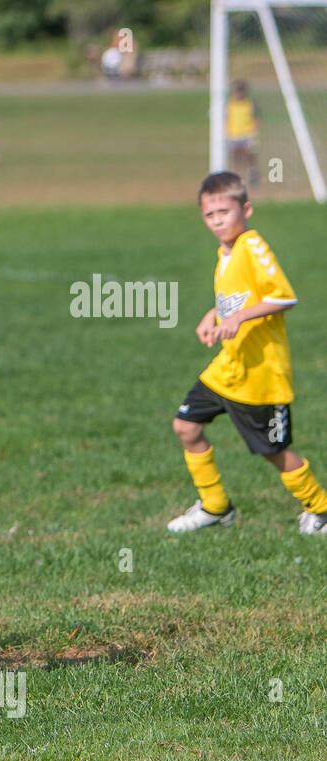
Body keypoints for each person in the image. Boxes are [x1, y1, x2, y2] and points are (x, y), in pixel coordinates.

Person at [168, 171, 327, 534]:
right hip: (228, 368)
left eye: (225, 211)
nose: (217, 220)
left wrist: (238, 318)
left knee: (274, 452)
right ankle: (215, 507)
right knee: (186, 427)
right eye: (209, 215)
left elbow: (284, 296)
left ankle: (321, 510)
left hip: (260, 376)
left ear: (246, 209)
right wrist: (214, 316)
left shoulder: (252, 246)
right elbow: (235, 299)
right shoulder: (224, 252)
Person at [226, 80, 259, 188]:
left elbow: (255, 118)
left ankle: (253, 176)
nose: (239, 93)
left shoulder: (249, 104)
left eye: (241, 90)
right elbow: (227, 119)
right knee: (236, 158)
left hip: (247, 134)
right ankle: (236, 179)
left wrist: (254, 133)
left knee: (250, 156)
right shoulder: (230, 104)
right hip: (234, 135)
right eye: (237, 91)